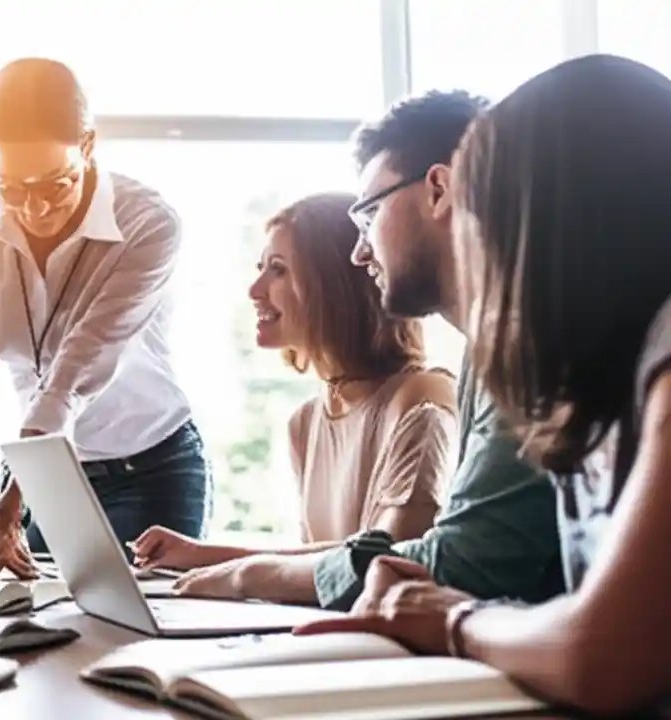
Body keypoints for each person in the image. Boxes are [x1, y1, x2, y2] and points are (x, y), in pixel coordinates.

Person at [296, 53, 671, 715]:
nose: (474, 238)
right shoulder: (599, 361)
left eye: (489, 208)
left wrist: (450, 617)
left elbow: (603, 655)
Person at [169, 91, 562, 610]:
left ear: (439, 189)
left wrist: (254, 575)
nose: (360, 252)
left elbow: (465, 560)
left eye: (370, 214)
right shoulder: (484, 350)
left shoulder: (524, 341)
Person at [0, 58, 211, 578]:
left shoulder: (148, 225)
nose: (34, 208)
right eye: (12, 187)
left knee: (135, 618)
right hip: (37, 473)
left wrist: (10, 507)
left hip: (147, 469)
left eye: (55, 184)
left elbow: (73, 375)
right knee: (23, 615)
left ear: (89, 146)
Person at [133, 193, 456, 570]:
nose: (255, 290)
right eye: (261, 268)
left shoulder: (421, 399)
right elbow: (320, 571)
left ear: (335, 283)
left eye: (278, 270)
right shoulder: (305, 422)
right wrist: (199, 557)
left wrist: (209, 559)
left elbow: (384, 558)